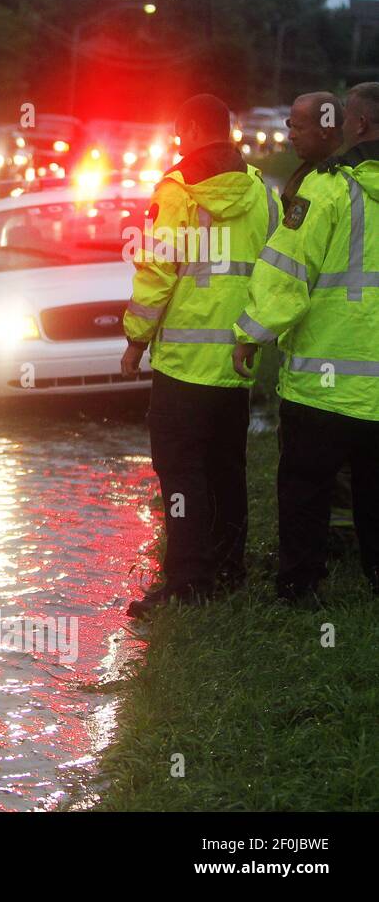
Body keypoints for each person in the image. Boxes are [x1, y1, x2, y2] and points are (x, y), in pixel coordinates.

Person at [121, 94, 281, 618]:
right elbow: (276, 270)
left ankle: (189, 581)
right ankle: (229, 570)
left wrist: (136, 339)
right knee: (226, 469)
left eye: (178, 132)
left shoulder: (178, 190)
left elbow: (157, 271)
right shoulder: (261, 191)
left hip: (184, 368)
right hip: (236, 363)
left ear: (190, 128)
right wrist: (253, 336)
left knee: (181, 471)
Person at [232, 82, 379, 604]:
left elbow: (287, 277)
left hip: (324, 382)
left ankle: (300, 586)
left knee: (305, 487)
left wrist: (251, 332)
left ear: (356, 126)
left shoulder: (329, 189)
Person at [281, 92, 354, 532]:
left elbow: (291, 269)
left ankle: (331, 543)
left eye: (297, 127)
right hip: (339, 347)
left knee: (322, 461)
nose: (289, 134)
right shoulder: (311, 177)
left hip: (326, 347)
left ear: (327, 129)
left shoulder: (328, 185)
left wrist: (256, 330)